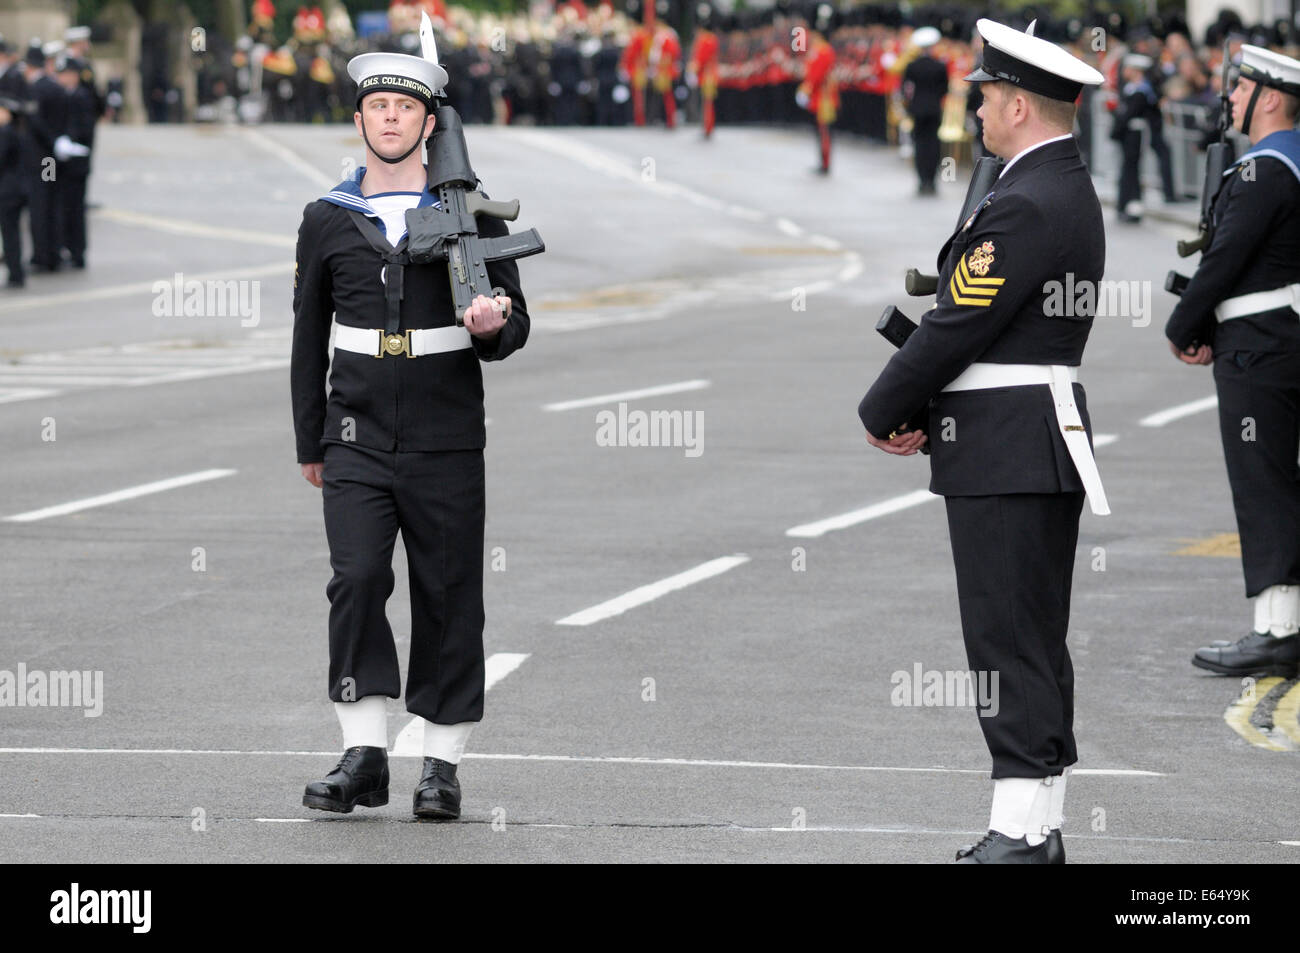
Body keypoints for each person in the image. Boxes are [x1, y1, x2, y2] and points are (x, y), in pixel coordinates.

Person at [857, 18, 1107, 863]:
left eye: (990, 97)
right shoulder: (1054, 184)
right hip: (1023, 435)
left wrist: (882, 406)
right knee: (1032, 636)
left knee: (1006, 640)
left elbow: (958, 323)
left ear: (1022, 108)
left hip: (1010, 444)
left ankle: (1018, 831)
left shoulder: (1028, 201)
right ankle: (1039, 824)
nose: (981, 113)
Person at [291, 45, 530, 819]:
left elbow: (514, 323)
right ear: (359, 118)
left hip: (445, 437)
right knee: (356, 580)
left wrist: (492, 324)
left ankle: (441, 765)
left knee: (450, 593)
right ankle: (363, 752)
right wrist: (309, 441)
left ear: (429, 122)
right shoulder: (328, 217)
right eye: (377, 108)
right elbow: (307, 335)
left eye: (405, 109)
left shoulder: (469, 207)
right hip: (354, 436)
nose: (390, 119)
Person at [1165, 45, 1300, 679]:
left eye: (1243, 89)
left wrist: (1184, 324)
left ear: (1271, 97)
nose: (1233, 98)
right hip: (1281, 335)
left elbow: (1223, 260)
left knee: (1263, 483)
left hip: (1259, 347)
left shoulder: (1263, 170)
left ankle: (1277, 630)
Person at [902, 26, 948, 195]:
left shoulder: (912, 66)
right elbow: (944, 88)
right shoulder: (940, 66)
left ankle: (922, 180)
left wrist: (910, 105)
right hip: (934, 108)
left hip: (917, 109)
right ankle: (932, 179)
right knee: (933, 143)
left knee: (920, 144)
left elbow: (906, 89)